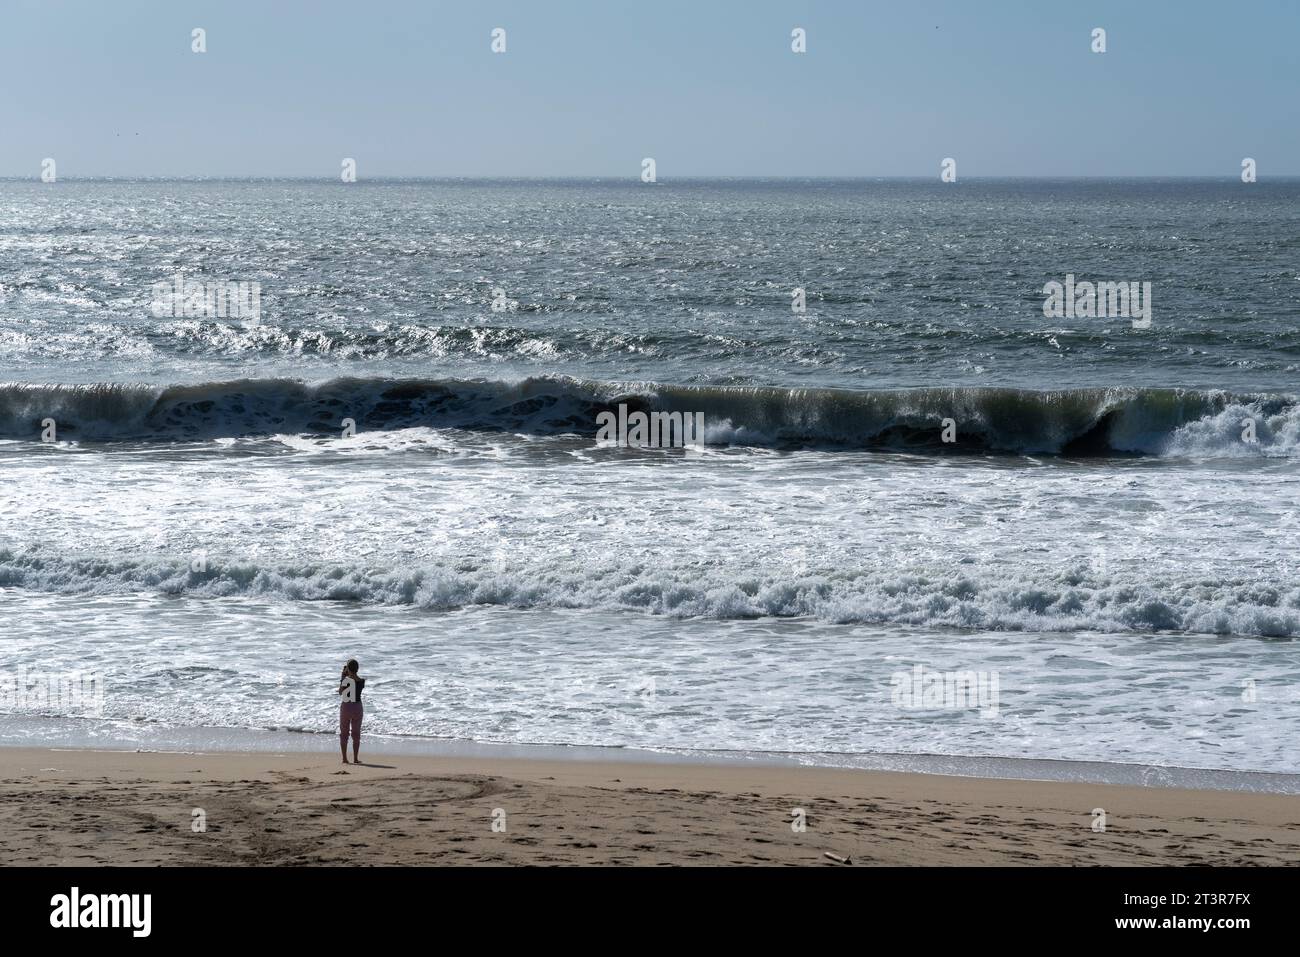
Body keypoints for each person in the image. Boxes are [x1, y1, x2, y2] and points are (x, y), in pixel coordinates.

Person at [338, 659, 365, 764]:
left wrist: (342, 677)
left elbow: (341, 692)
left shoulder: (345, 680)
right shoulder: (362, 681)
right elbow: (355, 683)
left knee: (344, 733)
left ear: (348, 669)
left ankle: (344, 758)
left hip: (346, 706)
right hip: (357, 707)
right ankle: (355, 758)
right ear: (358, 669)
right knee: (356, 733)